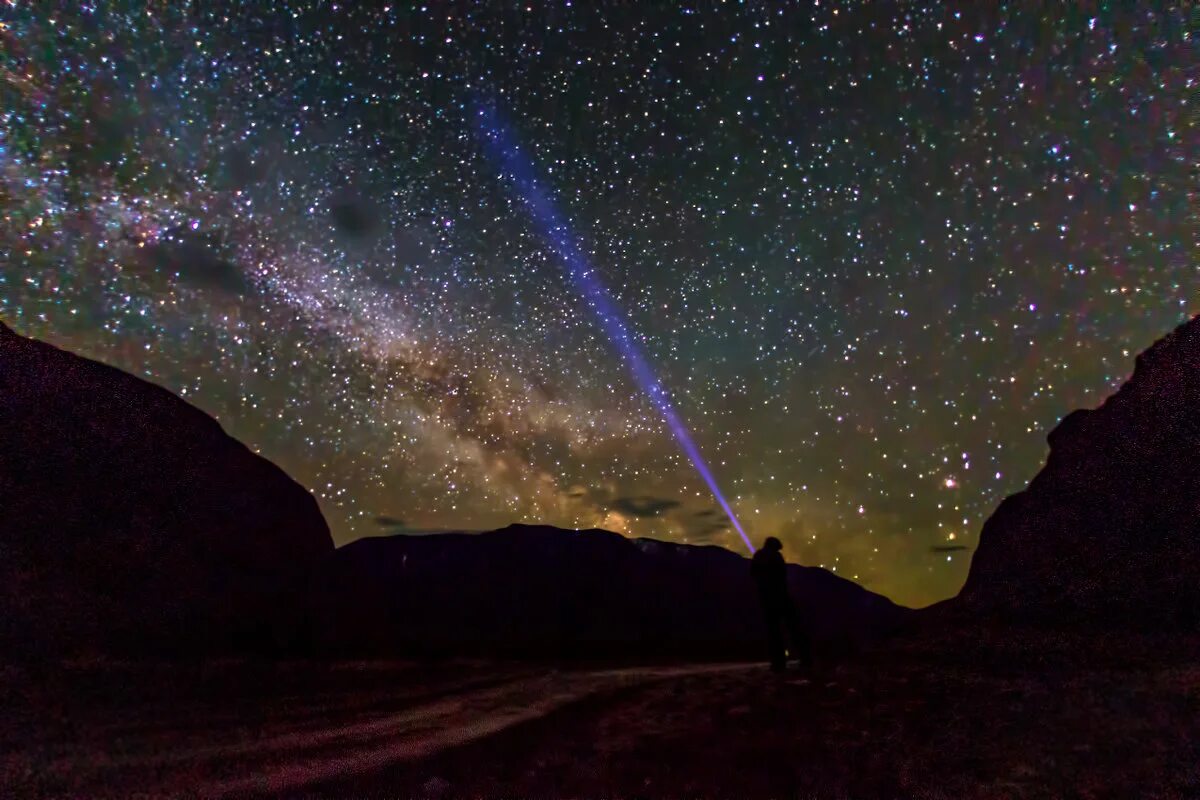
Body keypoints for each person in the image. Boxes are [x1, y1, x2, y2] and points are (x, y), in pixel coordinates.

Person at [751, 536, 811, 674]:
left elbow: (753, 574)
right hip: (780, 597)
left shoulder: (759, 556)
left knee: (774, 632)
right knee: (792, 627)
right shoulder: (776, 557)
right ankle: (804, 658)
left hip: (767, 599)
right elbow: (782, 577)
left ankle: (778, 663)